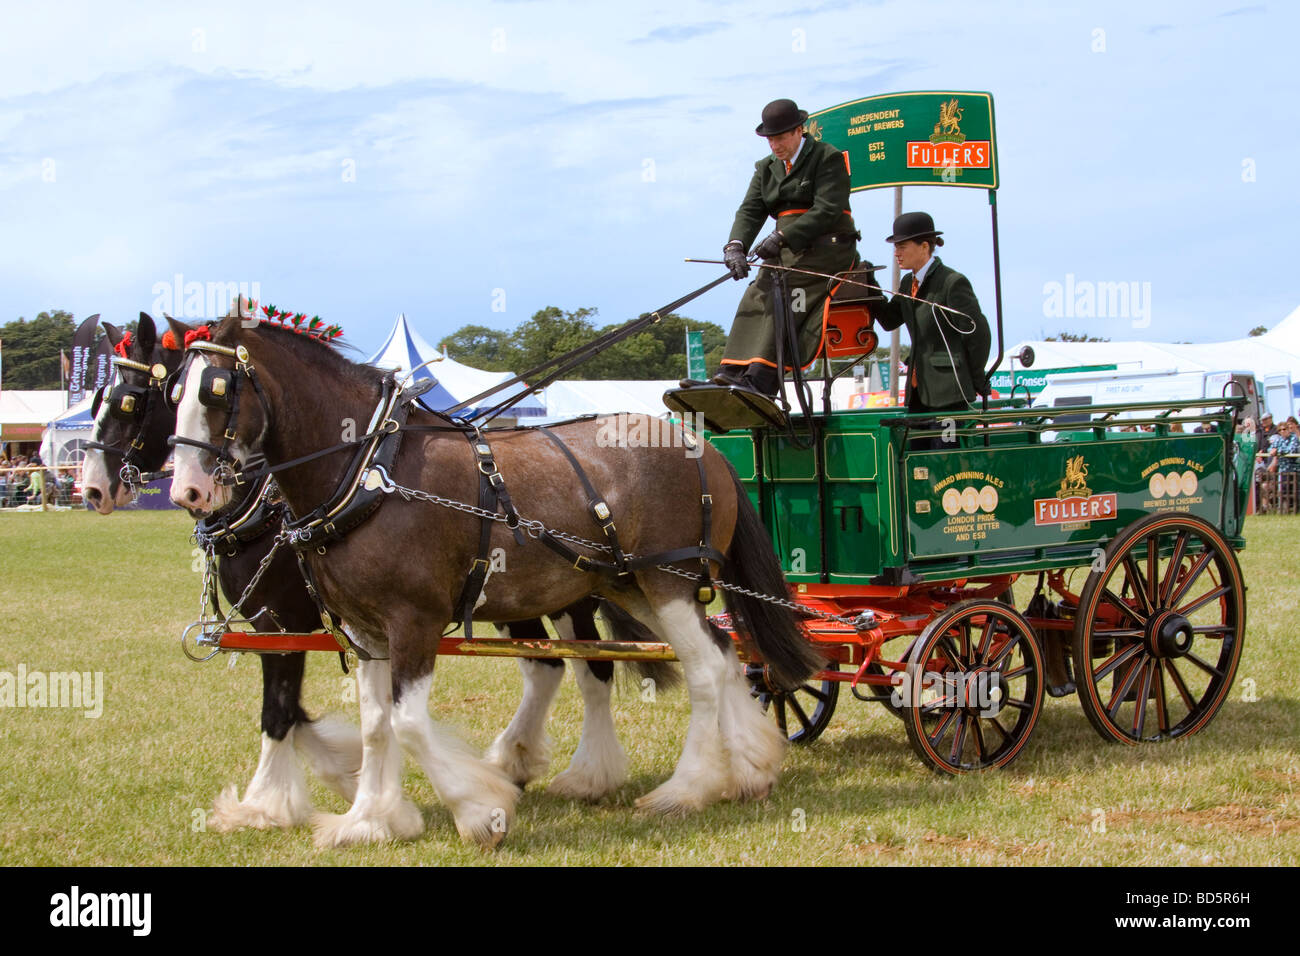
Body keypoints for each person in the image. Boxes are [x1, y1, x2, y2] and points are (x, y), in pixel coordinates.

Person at [685, 98, 860, 397]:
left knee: (785, 288)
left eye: (780, 138)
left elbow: (828, 210)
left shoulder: (826, 157)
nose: (775, 145)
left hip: (828, 249)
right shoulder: (766, 168)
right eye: (770, 139)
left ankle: (762, 378)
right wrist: (735, 247)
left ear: (799, 131)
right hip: (788, 251)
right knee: (757, 291)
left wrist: (782, 236)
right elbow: (751, 210)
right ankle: (730, 372)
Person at [873, 211, 992, 417]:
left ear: (925, 247)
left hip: (949, 394)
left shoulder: (951, 282)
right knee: (917, 449)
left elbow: (978, 334)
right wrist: (869, 284)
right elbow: (889, 320)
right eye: (895, 247)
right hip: (919, 393)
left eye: (902, 246)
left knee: (944, 449)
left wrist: (975, 379)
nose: (896, 253)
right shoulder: (908, 283)